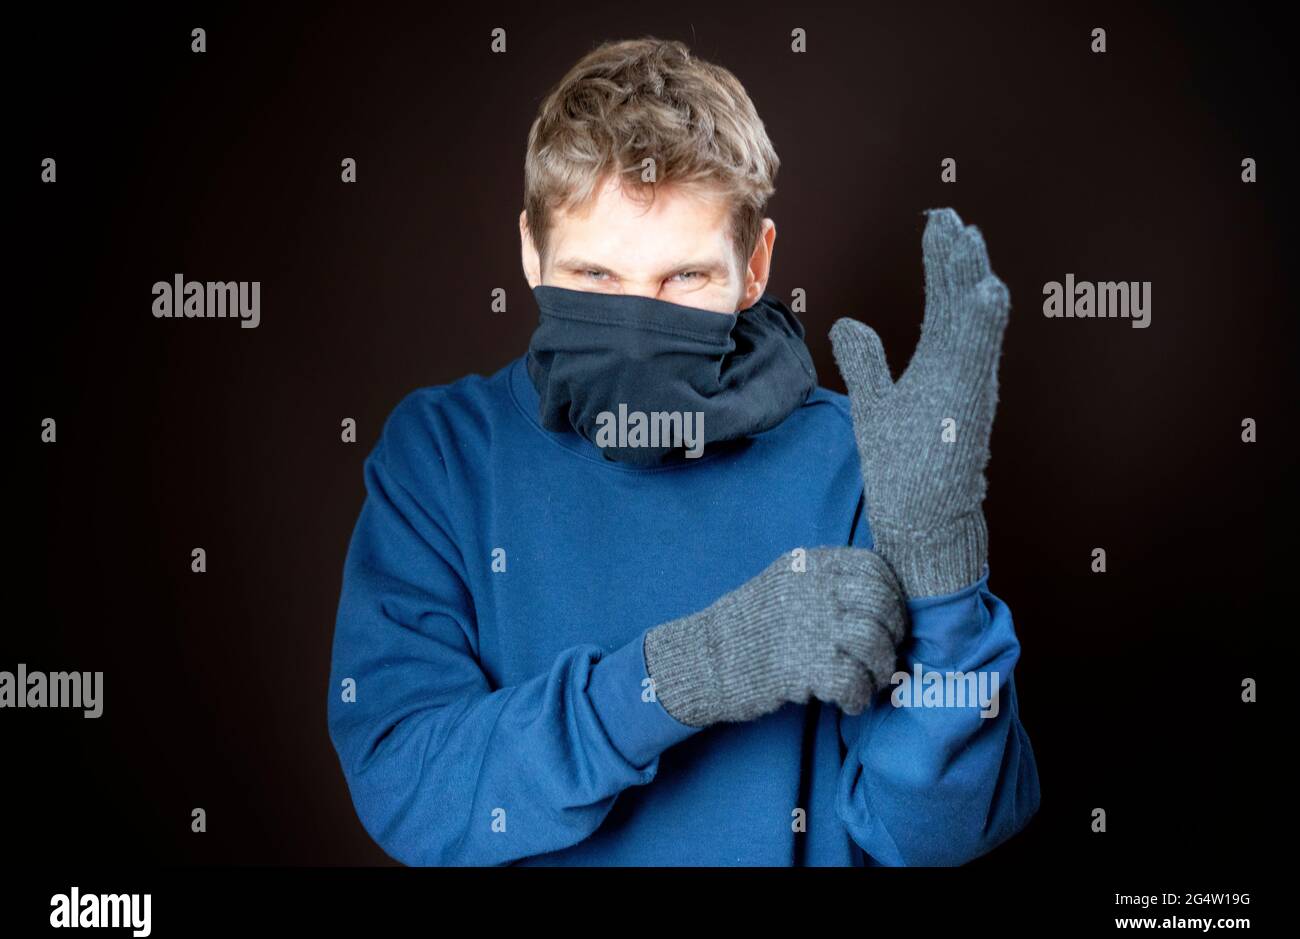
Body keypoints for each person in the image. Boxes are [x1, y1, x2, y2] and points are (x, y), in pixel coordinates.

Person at [326, 36, 1040, 866]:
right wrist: (684, 675)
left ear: (754, 266)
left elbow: (940, 833)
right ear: (529, 252)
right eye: (595, 279)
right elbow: (408, 786)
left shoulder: (863, 462)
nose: (637, 325)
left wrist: (941, 568)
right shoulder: (440, 456)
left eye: (683, 279)